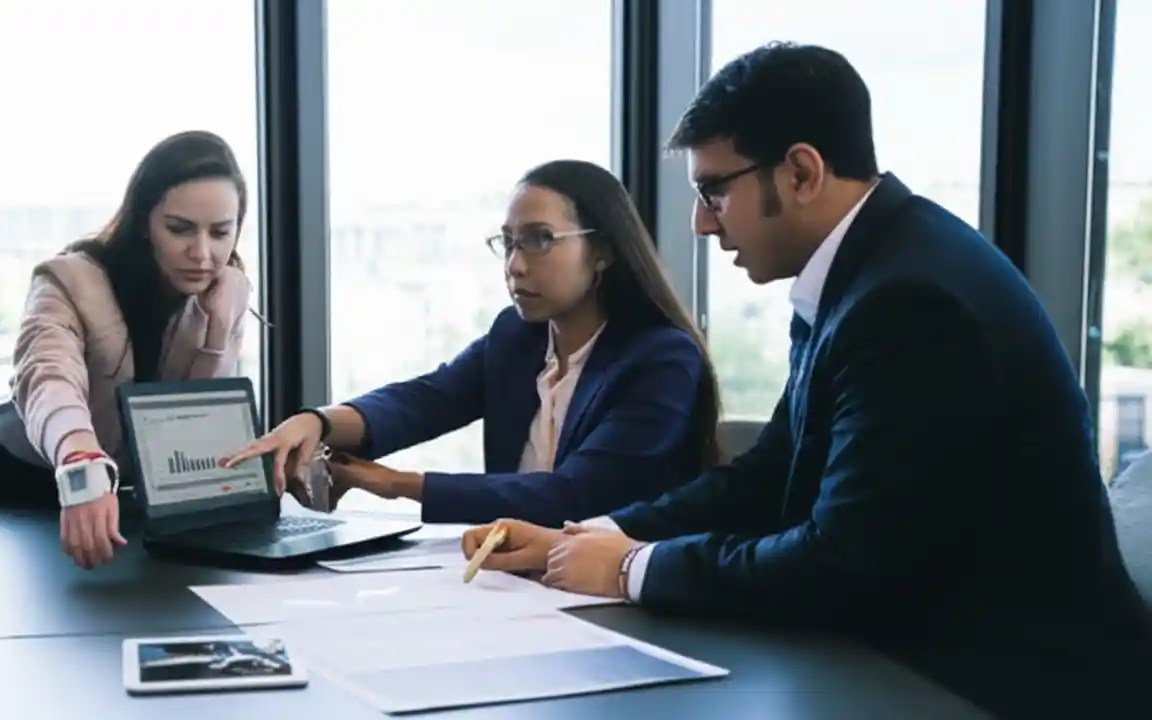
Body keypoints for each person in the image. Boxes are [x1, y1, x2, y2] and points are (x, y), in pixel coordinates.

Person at [459, 43, 1152, 719]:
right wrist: (586, 537)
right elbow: (769, 476)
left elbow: (841, 562)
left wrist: (629, 568)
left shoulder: (912, 301)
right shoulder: (861, 272)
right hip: (912, 654)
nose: (701, 222)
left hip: (1005, 684)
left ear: (800, 172)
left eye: (714, 190)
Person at [223, 160, 720, 527]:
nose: (515, 265)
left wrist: (394, 485)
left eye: (540, 239)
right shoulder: (518, 337)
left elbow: (574, 497)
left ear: (604, 251)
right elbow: (427, 400)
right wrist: (318, 421)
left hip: (615, 594)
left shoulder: (661, 359)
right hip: (519, 580)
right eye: (509, 242)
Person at [0, 130, 254, 570]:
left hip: (126, 488)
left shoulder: (226, 291)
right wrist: (81, 463)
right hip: (29, 476)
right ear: (144, 222)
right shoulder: (68, 279)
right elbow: (48, 378)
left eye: (220, 232)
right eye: (179, 229)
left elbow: (199, 421)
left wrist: (215, 330)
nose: (202, 253)